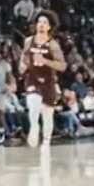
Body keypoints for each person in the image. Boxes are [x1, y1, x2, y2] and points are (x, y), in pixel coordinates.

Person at [20, 11, 65, 148]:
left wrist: (45, 61)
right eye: (39, 22)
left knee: (47, 114)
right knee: (33, 107)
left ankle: (46, 141)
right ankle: (34, 128)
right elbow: (24, 58)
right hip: (32, 79)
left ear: (49, 27)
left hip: (48, 81)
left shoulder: (53, 45)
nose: (41, 25)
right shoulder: (28, 41)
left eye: (45, 23)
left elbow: (62, 66)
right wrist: (22, 65)